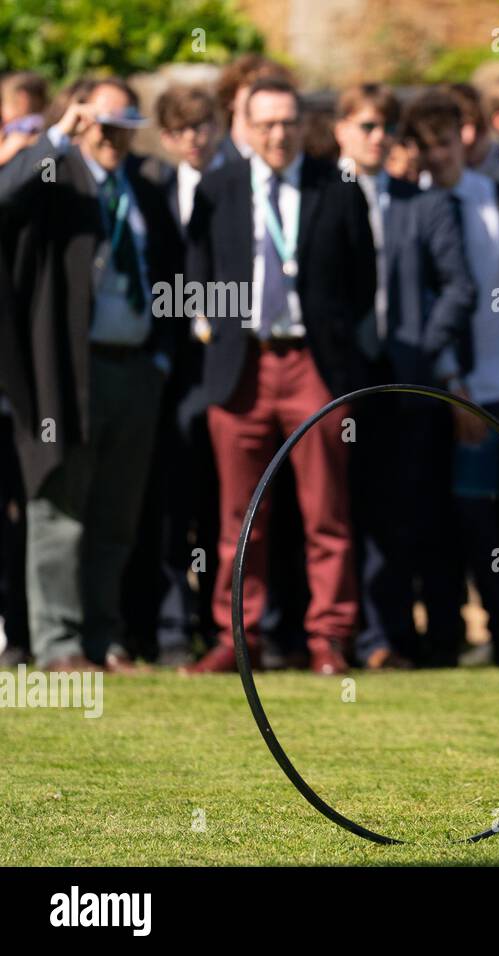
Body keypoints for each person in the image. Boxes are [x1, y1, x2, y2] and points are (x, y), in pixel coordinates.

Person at [183, 76, 376, 675]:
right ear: (243, 123)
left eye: (287, 122)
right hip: (240, 368)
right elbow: (198, 272)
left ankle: (329, 638)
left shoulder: (337, 186)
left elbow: (362, 282)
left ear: (302, 124)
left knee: (327, 512)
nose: (277, 133)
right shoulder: (218, 187)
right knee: (240, 517)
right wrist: (213, 332)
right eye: (264, 122)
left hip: (314, 366)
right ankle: (236, 638)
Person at [0, 79, 183, 672]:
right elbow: (4, 197)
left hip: (134, 370)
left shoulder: (147, 188)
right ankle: (59, 644)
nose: (112, 136)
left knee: (115, 513)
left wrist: (161, 357)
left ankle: (106, 639)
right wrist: (56, 138)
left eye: (124, 123)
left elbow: (175, 276)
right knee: (58, 506)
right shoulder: (57, 178)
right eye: (101, 123)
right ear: (80, 121)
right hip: (66, 373)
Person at [334, 83, 477, 669]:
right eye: (365, 126)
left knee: (407, 512)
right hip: (341, 379)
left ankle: (393, 638)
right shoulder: (326, 196)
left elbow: (460, 288)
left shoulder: (423, 204)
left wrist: (419, 350)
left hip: (408, 380)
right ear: (343, 130)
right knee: (340, 510)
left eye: (385, 129)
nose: (377, 138)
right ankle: (343, 634)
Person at [408, 86, 499, 666]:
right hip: (430, 385)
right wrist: (448, 380)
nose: (436, 156)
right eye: (425, 145)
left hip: (498, 387)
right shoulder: (406, 207)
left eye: (445, 141)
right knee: (435, 516)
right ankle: (443, 635)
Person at [132, 84, 226, 666]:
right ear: (166, 138)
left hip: (224, 363)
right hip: (168, 363)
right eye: (182, 130)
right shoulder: (153, 190)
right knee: (169, 501)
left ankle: (222, 626)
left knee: (222, 502)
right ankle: (169, 627)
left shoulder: (236, 183)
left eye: (203, 126)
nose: (194, 138)